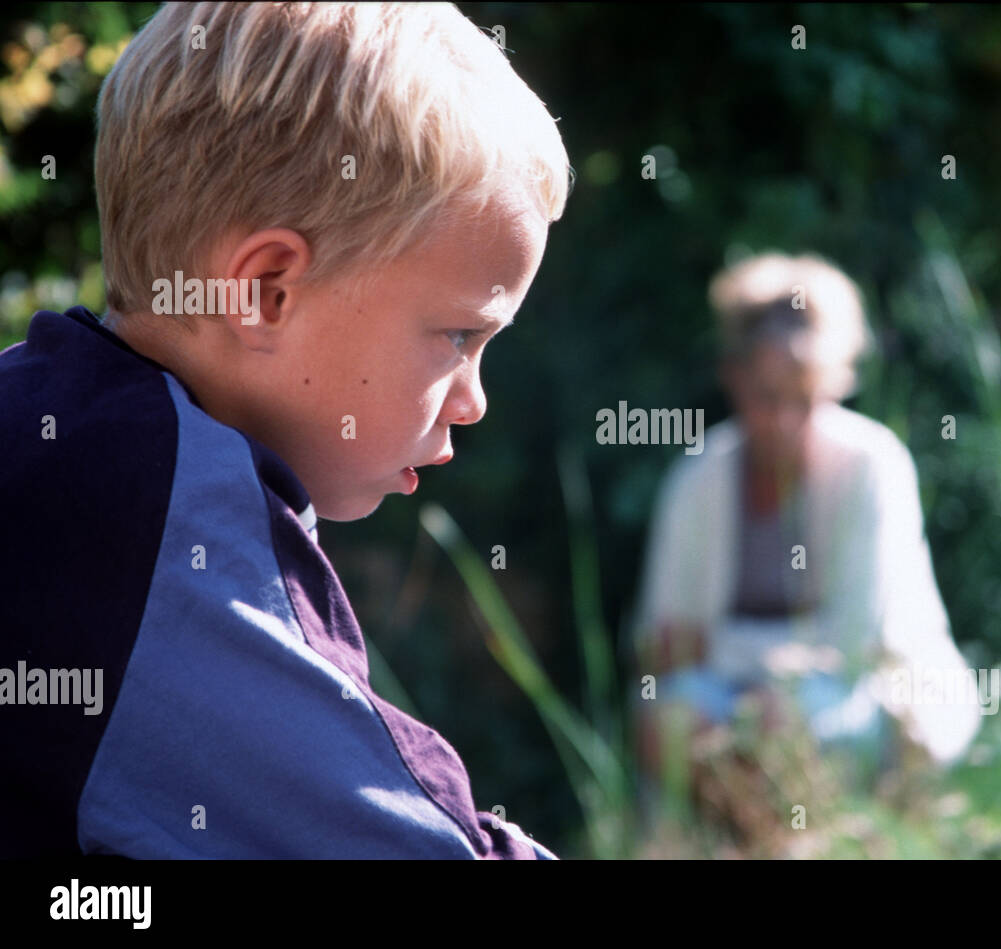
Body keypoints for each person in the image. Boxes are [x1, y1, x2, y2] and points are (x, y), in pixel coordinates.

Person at [0, 2, 572, 858]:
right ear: (265, 291)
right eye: (459, 336)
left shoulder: (43, 412)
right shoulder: (160, 513)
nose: (473, 400)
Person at [632, 252, 983, 793]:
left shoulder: (873, 463)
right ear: (734, 378)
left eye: (806, 398)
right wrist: (759, 680)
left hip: (862, 692)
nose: (785, 421)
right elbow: (661, 640)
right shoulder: (698, 477)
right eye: (767, 397)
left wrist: (751, 671)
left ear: (837, 382)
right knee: (667, 725)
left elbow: (853, 642)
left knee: (783, 726)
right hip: (727, 696)